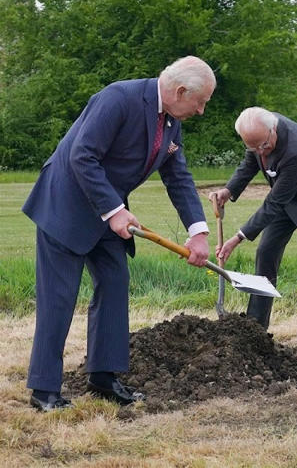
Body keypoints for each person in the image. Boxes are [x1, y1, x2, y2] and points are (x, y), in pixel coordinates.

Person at [22, 56, 216, 411]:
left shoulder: (171, 122)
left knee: (114, 284)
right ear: (181, 90)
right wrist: (114, 210)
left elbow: (179, 178)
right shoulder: (118, 98)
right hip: (66, 205)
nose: (202, 110)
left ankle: (103, 377)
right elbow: (83, 156)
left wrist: (198, 231)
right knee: (59, 297)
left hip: (110, 213)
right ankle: (44, 389)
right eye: (201, 102)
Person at [210, 107, 297, 355]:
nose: (261, 153)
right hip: (288, 197)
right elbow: (249, 163)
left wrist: (238, 238)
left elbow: (274, 203)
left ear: (273, 131)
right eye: (255, 148)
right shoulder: (258, 134)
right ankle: (256, 329)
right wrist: (229, 190)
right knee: (266, 252)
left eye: (264, 146)